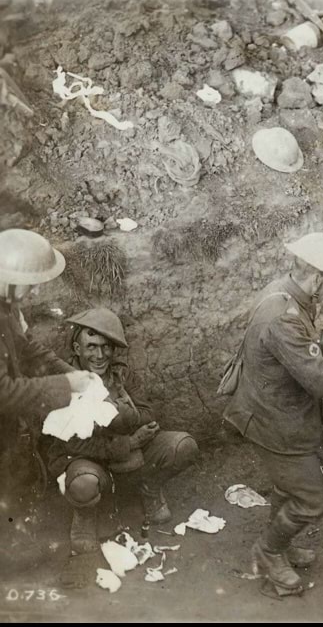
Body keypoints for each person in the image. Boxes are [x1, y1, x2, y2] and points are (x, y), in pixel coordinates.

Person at [223, 233, 323, 596]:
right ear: (318, 277)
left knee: (288, 487)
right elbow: (321, 381)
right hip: (274, 422)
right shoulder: (283, 317)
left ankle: (281, 546)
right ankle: (269, 551)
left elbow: (298, 351)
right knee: (311, 500)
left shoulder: (283, 293)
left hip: (274, 411)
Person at [48, 307, 199, 588]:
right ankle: (84, 516)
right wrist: (128, 439)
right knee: (83, 483)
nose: (100, 355)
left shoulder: (122, 375)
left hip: (130, 453)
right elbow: (72, 441)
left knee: (182, 446)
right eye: (91, 347)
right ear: (77, 349)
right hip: (89, 460)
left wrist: (119, 414)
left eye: (106, 347)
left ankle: (149, 489)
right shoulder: (64, 384)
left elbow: (148, 413)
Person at [0, 229, 95, 571]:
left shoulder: (7, 308)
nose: (36, 291)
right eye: (30, 284)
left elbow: (27, 349)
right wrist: (65, 386)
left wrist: (72, 374)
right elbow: (4, 391)